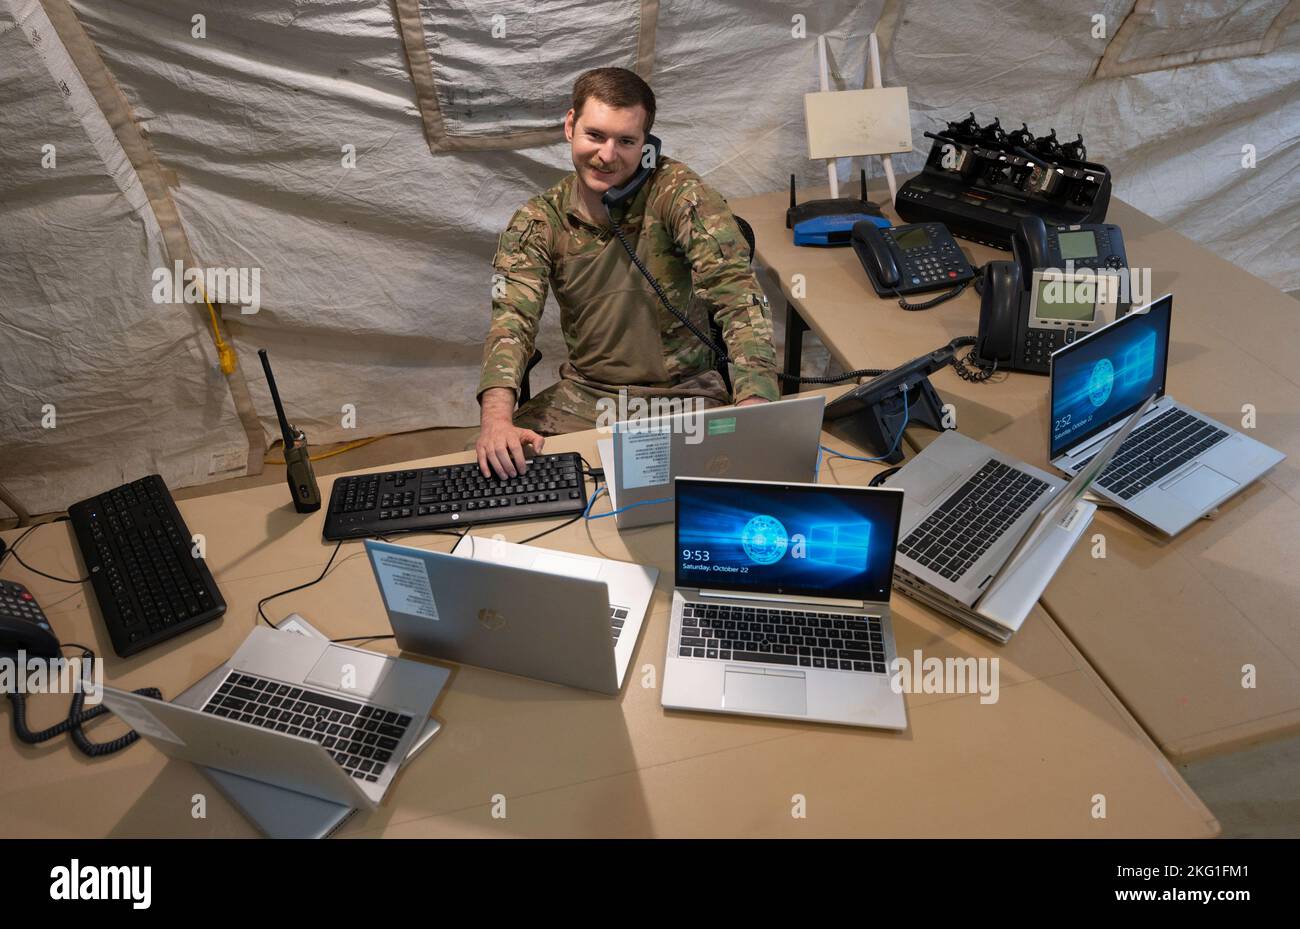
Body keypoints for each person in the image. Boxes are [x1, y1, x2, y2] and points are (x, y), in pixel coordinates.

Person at [474, 66, 779, 479]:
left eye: (626, 141)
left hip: (686, 395)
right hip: (586, 397)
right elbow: (512, 323)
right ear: (570, 126)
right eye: (595, 135)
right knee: (498, 473)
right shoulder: (538, 221)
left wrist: (755, 403)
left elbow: (737, 298)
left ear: (646, 144)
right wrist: (496, 420)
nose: (607, 155)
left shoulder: (678, 194)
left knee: (721, 491)